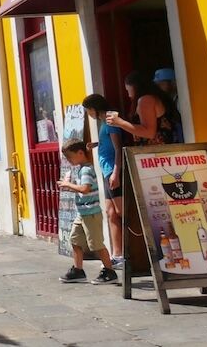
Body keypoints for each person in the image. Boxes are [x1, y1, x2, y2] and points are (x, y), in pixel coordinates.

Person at [56, 140, 118, 285]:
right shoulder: (78, 169)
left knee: (96, 244)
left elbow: (85, 189)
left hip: (91, 213)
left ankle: (109, 271)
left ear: (80, 153)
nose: (69, 161)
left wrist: (68, 184)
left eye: (70, 157)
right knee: (75, 240)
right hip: (82, 213)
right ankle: (78, 270)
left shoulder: (86, 170)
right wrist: (68, 182)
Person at [83, 94, 125, 267]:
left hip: (112, 171)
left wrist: (116, 172)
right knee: (111, 212)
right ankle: (118, 254)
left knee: (122, 212)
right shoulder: (102, 123)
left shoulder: (109, 120)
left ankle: (132, 252)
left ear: (94, 108)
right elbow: (108, 142)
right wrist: (97, 144)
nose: (88, 114)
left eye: (88, 110)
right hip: (106, 171)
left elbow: (117, 147)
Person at [107, 71, 180, 146]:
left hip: (156, 152)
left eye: (128, 90)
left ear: (134, 87)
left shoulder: (145, 100)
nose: (129, 95)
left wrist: (120, 123)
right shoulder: (155, 97)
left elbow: (149, 132)